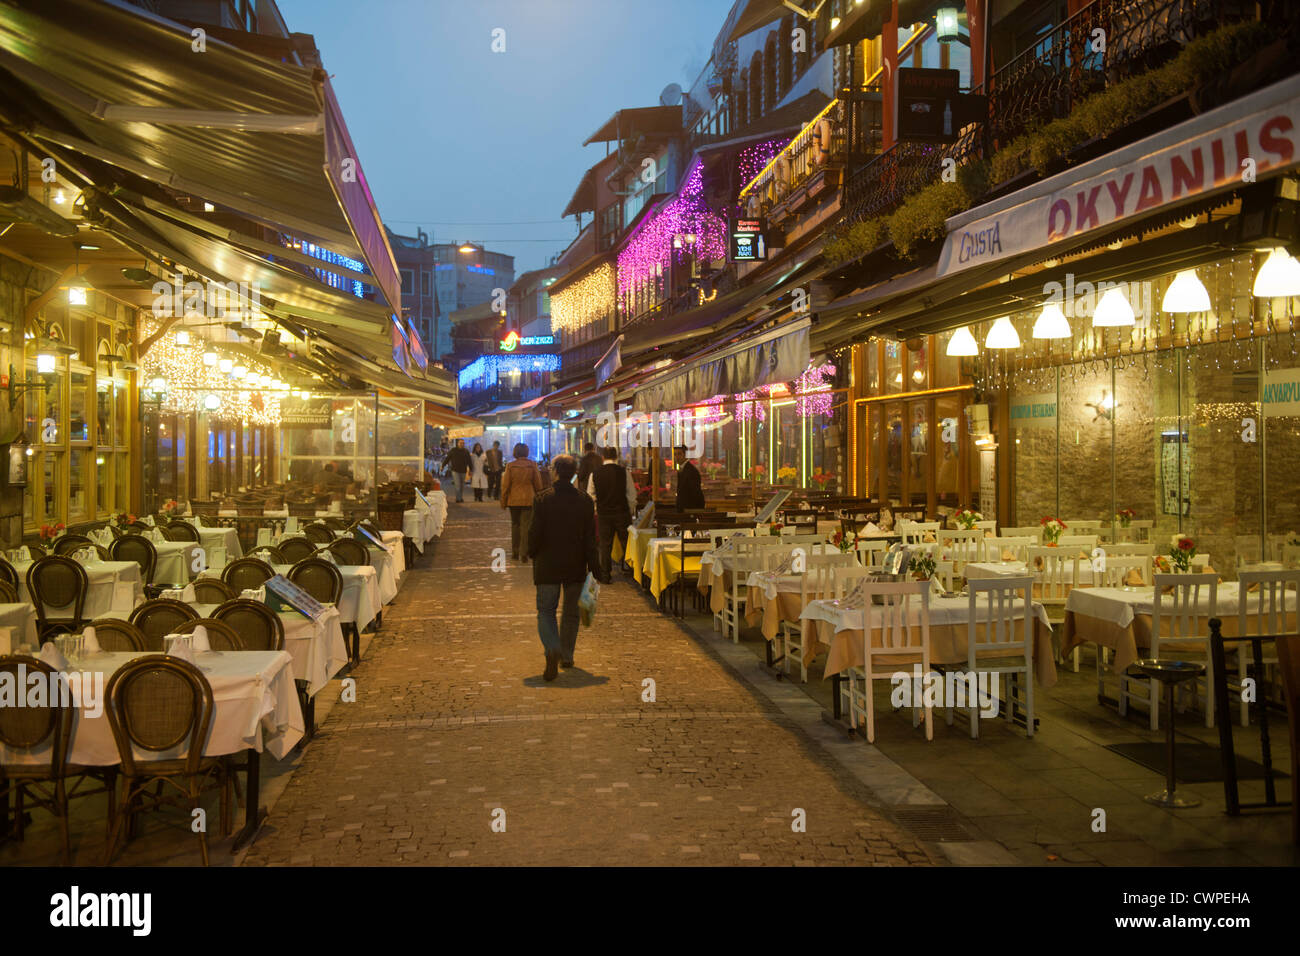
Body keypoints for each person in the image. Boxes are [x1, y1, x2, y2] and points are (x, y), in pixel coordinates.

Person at [528, 454, 600, 680]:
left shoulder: (542, 499)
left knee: (546, 611)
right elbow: (591, 539)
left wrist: (531, 551)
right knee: (570, 613)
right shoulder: (585, 501)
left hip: (548, 564)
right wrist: (595, 567)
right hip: (575, 565)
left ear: (556, 472)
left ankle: (552, 648)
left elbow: (534, 532)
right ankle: (567, 655)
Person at [587, 446, 636, 583]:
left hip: (604, 513)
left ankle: (605, 574)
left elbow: (590, 495)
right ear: (616, 457)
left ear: (603, 457)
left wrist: (597, 508)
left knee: (605, 545)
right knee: (627, 543)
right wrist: (629, 509)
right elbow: (631, 494)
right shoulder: (624, 472)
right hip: (622, 512)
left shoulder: (595, 473)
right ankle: (633, 572)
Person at [500, 442, 542, 562]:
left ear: (515, 452)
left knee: (515, 524)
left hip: (513, 499)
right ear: (527, 452)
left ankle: (515, 551)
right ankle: (524, 553)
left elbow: (505, 485)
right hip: (529, 499)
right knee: (526, 526)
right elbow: (538, 484)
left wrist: (503, 500)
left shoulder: (510, 466)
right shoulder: (532, 465)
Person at [674, 445, 705, 510]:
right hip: (684, 508)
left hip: (689, 509)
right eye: (675, 454)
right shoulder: (682, 469)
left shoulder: (691, 471)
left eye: (679, 454)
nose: (677, 457)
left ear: (685, 455)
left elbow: (695, 493)